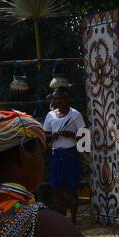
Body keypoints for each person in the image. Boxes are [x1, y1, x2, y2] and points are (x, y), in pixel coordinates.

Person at [42, 88, 86, 222]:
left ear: (67, 100)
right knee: (57, 189)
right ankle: (60, 222)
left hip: (71, 154)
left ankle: (73, 221)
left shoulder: (75, 115)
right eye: (55, 99)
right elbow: (44, 135)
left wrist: (71, 135)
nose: (57, 101)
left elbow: (84, 136)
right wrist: (52, 136)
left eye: (60, 98)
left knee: (72, 189)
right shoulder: (50, 116)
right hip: (56, 155)